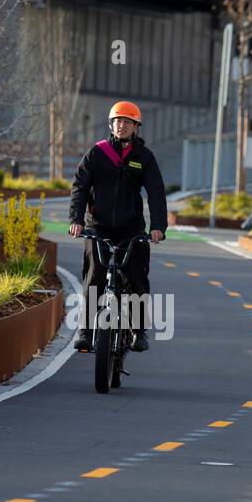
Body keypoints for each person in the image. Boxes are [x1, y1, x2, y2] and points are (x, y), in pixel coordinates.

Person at [68, 101, 167, 352]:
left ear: (136, 127)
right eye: (117, 121)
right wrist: (76, 220)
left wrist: (158, 226)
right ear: (111, 125)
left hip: (131, 228)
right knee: (94, 276)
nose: (121, 125)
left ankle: (138, 330)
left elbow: (156, 192)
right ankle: (86, 331)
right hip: (98, 226)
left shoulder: (144, 157)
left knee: (136, 275)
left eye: (127, 122)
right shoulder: (97, 153)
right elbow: (80, 187)